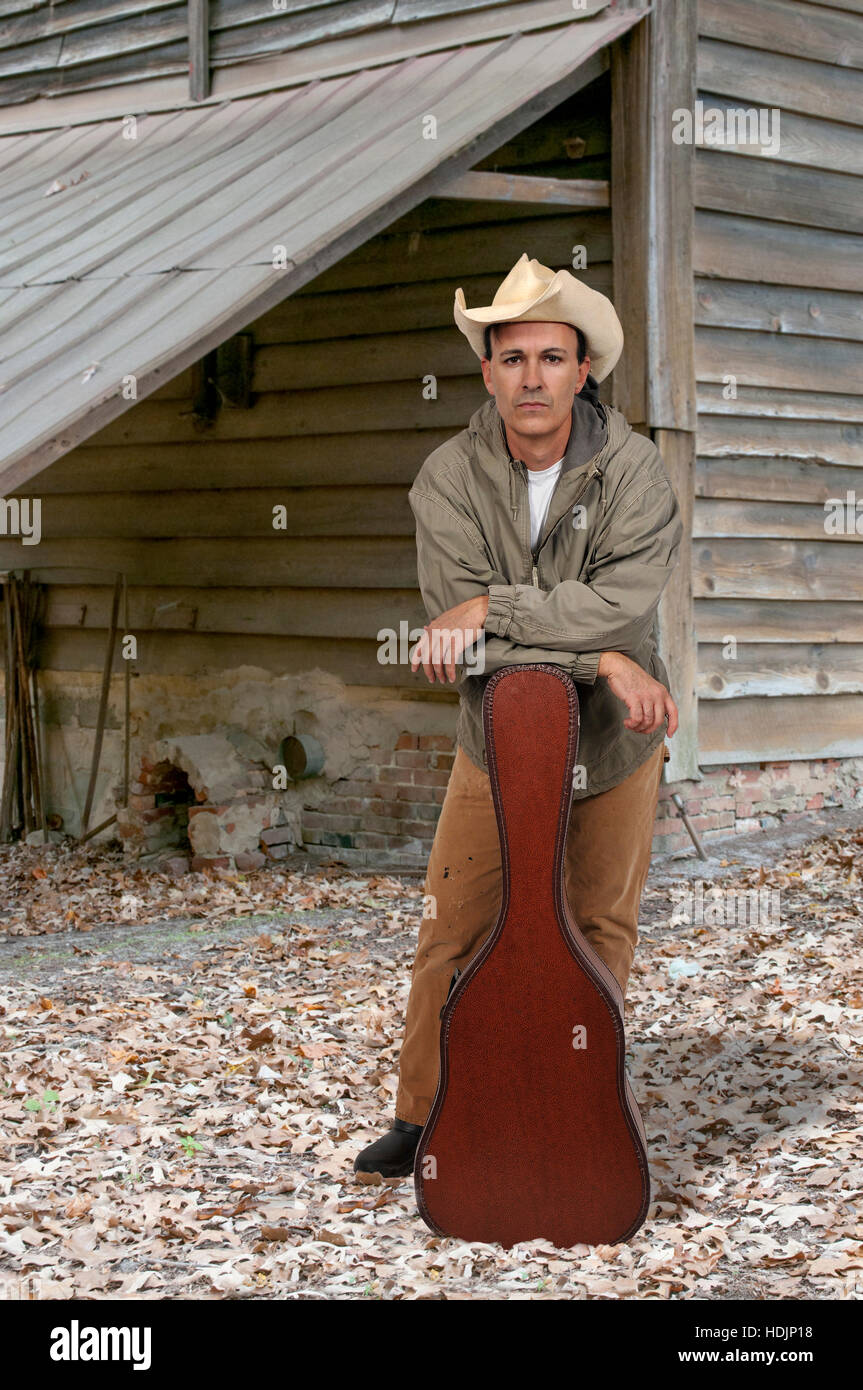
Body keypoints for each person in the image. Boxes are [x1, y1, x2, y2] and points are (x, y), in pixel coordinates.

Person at [354, 254, 683, 1178]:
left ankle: (582, 1100)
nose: (530, 377)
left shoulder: (634, 471)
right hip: (493, 739)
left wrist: (498, 610)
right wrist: (601, 656)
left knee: (594, 923)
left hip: (617, 740)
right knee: (452, 922)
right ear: (487, 371)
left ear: (584, 371)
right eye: (511, 358)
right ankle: (423, 1114)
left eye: (550, 357)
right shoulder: (447, 477)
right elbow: (453, 644)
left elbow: (617, 602)